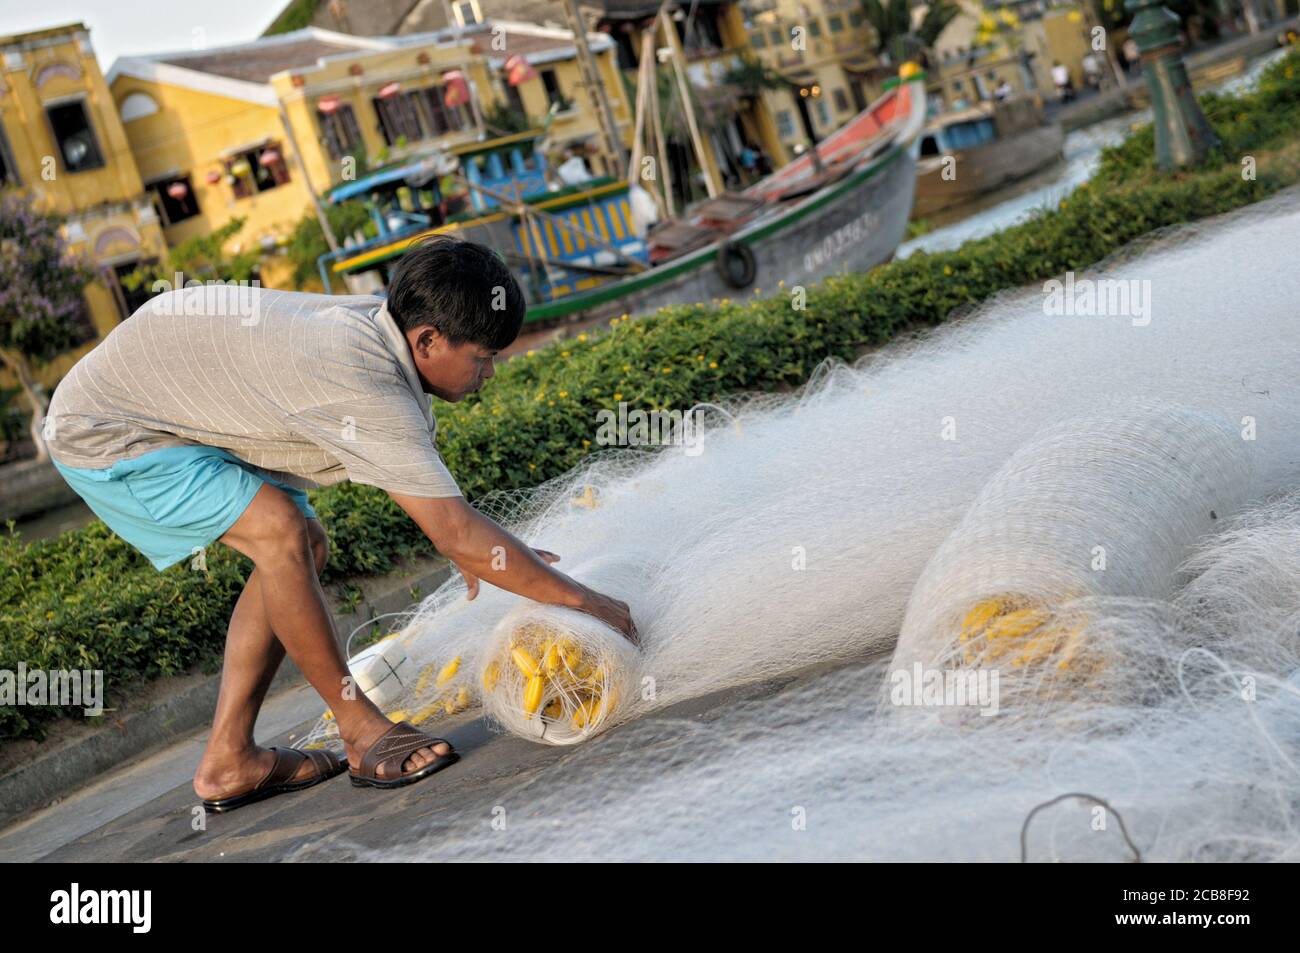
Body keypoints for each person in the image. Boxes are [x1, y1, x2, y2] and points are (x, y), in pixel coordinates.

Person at [45, 237, 638, 811]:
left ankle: (228, 760)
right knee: (279, 531)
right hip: (106, 427)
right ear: (428, 339)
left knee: (303, 541)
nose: (490, 374)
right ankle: (359, 729)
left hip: (167, 383)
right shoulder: (359, 377)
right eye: (483, 358)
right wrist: (583, 602)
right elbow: (454, 531)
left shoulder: (382, 333)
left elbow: (440, 504)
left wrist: (489, 554)